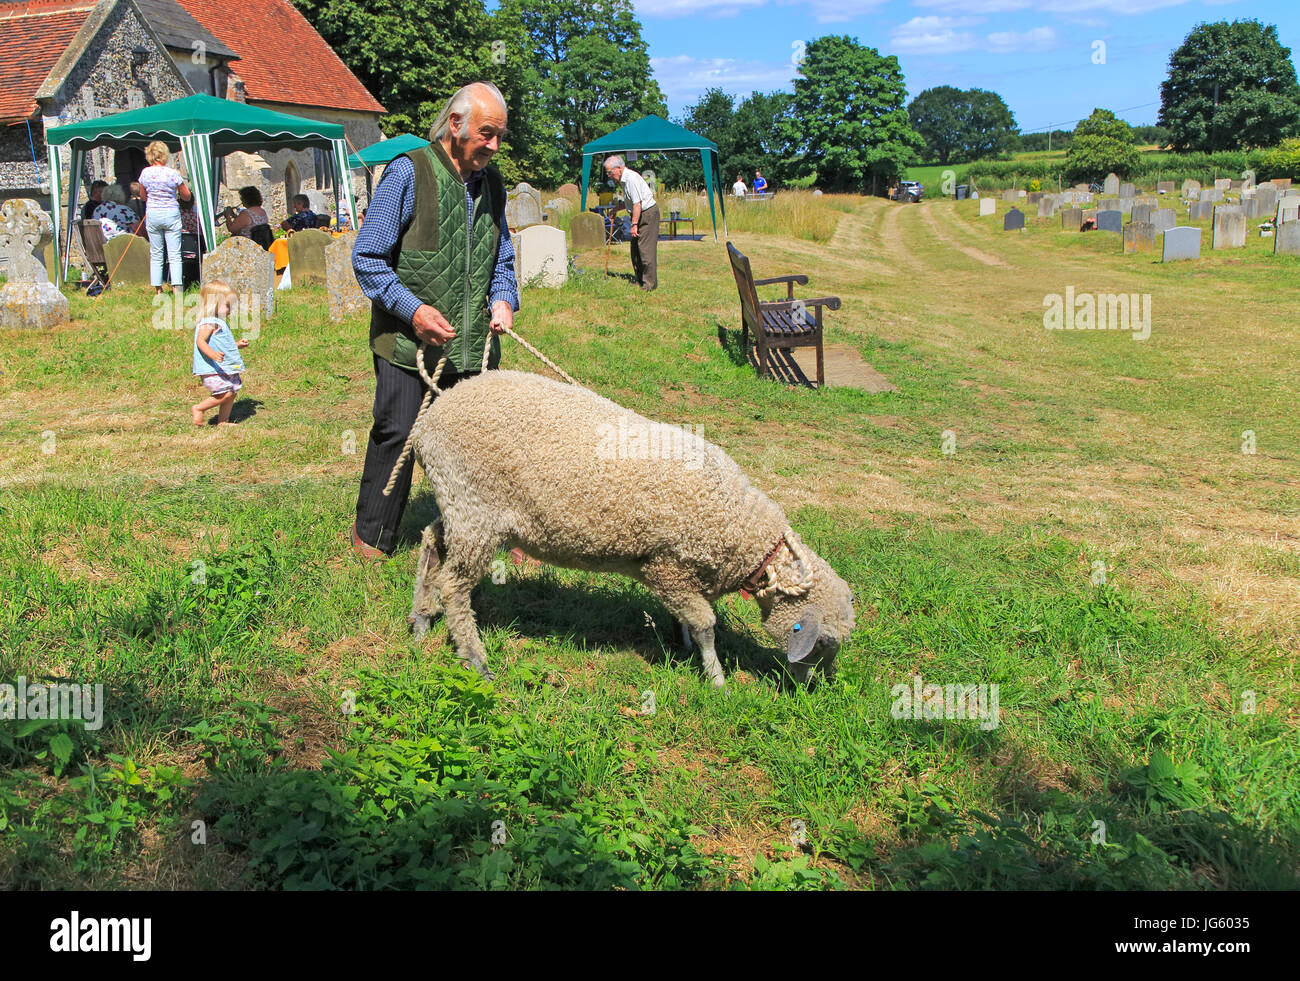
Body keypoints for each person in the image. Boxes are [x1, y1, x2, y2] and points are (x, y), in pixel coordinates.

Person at [350, 81, 520, 559]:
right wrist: (414, 311)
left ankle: (479, 537)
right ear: (455, 124)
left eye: (500, 137)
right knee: (399, 433)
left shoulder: (492, 184)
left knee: (481, 444)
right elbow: (367, 258)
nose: (494, 145)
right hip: (409, 346)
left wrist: (504, 298)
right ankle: (373, 534)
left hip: (471, 344)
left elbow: (501, 254)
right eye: (486, 133)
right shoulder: (408, 173)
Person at [191, 279, 251, 426]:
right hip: (212, 369)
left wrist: (237, 344)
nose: (230, 310)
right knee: (226, 393)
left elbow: (222, 344)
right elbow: (200, 341)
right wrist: (212, 354)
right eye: (228, 306)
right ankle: (199, 409)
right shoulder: (209, 322)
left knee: (232, 393)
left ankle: (223, 421)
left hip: (222, 367)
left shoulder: (218, 322)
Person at [139, 140, 192, 297]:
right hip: (170, 213)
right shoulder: (172, 173)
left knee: (156, 252)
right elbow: (187, 196)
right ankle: (176, 288)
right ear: (164, 155)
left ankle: (158, 290)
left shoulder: (145, 173)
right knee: (174, 253)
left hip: (153, 213)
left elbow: (143, 196)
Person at [604, 155, 659, 292]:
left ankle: (649, 285)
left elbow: (637, 204)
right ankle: (640, 279)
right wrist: (615, 209)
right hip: (639, 212)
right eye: (607, 173)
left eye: (610, 172)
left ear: (619, 168)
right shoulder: (623, 180)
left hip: (647, 214)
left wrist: (634, 224)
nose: (609, 175)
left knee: (645, 250)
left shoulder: (631, 179)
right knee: (635, 250)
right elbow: (629, 202)